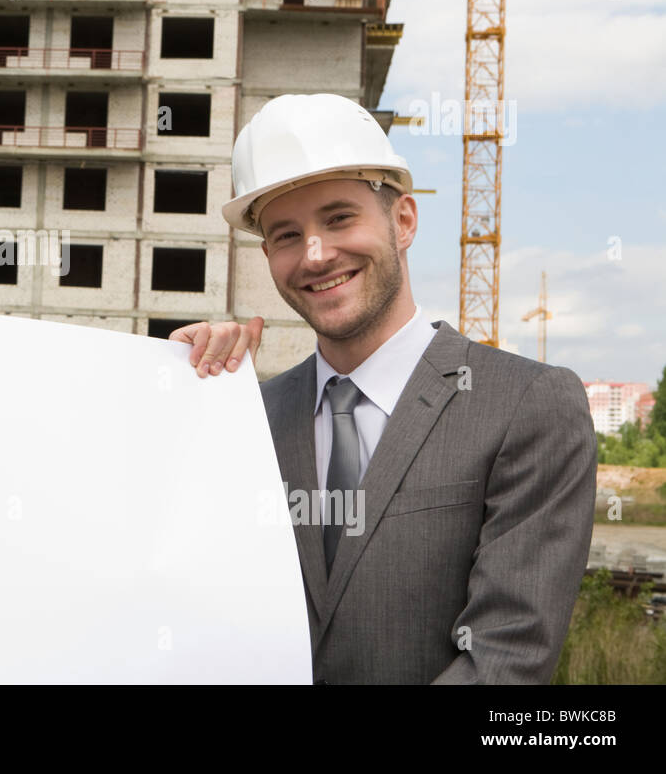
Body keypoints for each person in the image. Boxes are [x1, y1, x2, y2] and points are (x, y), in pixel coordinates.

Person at [170, 93, 596, 684]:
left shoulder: (526, 407)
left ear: (403, 221)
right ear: (268, 254)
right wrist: (181, 390)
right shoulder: (250, 417)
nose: (316, 256)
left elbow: (506, 662)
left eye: (339, 218)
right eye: (287, 235)